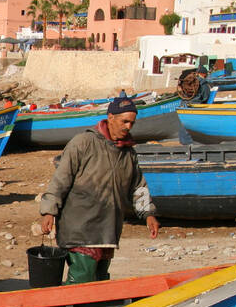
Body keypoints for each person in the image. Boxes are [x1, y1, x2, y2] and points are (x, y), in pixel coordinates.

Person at [38, 97, 160, 284]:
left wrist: (148, 214)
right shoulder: (84, 143)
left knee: (100, 281)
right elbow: (61, 179)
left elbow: (138, 186)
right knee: (82, 279)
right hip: (80, 228)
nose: (128, 127)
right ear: (110, 117)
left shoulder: (128, 152)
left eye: (132, 123)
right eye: (124, 121)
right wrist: (48, 211)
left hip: (108, 230)